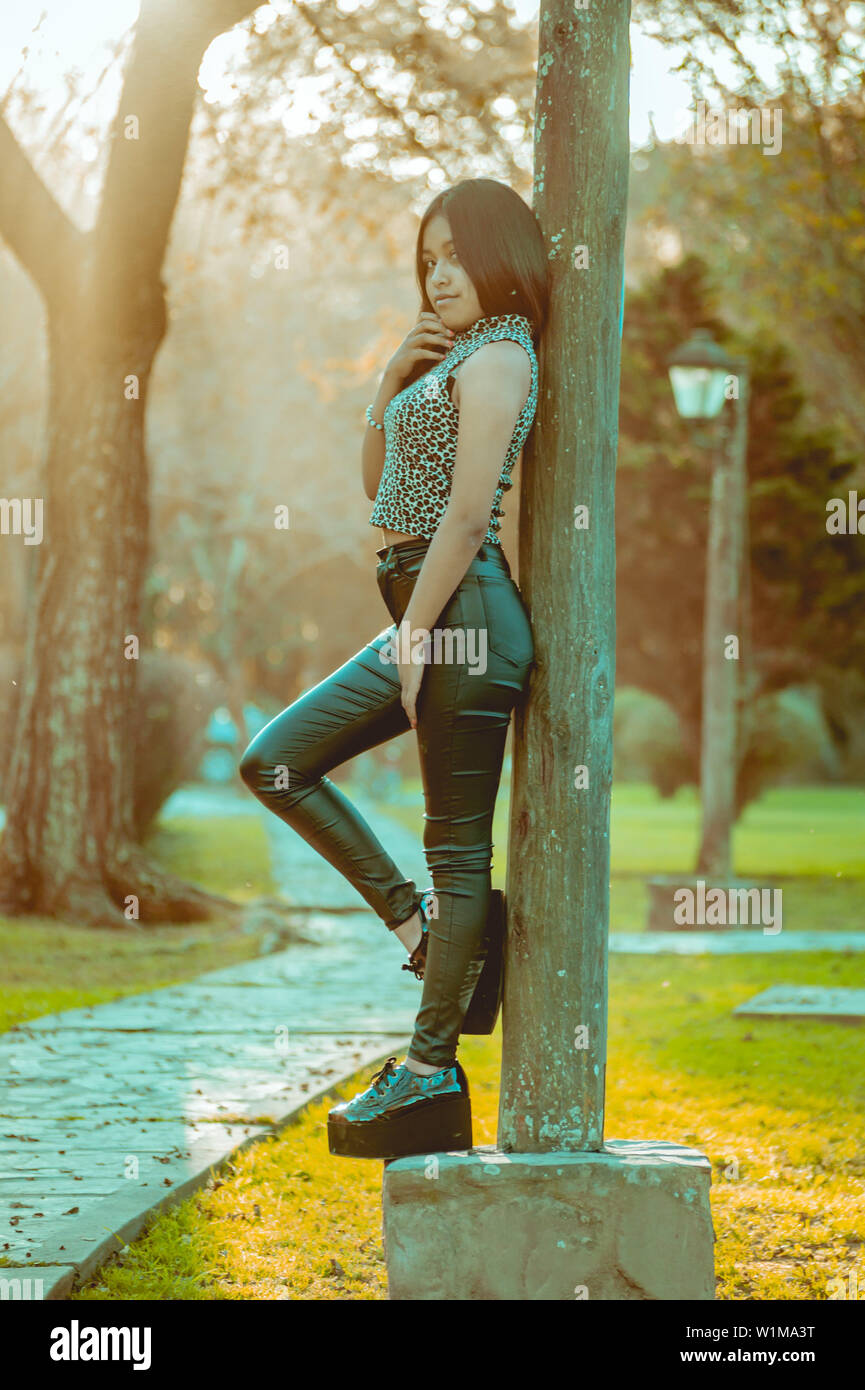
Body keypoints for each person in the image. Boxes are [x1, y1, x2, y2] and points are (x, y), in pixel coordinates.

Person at [239, 176, 550, 1159]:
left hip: (457, 613)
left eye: (456, 254)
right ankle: (428, 934)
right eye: (427, 260)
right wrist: (386, 383)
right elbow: (383, 487)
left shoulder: (502, 351)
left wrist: (416, 635)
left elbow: (465, 516)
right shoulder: (449, 355)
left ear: (500, 257)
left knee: (456, 847)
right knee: (275, 760)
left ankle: (427, 1072)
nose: (439, 273)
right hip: (425, 606)